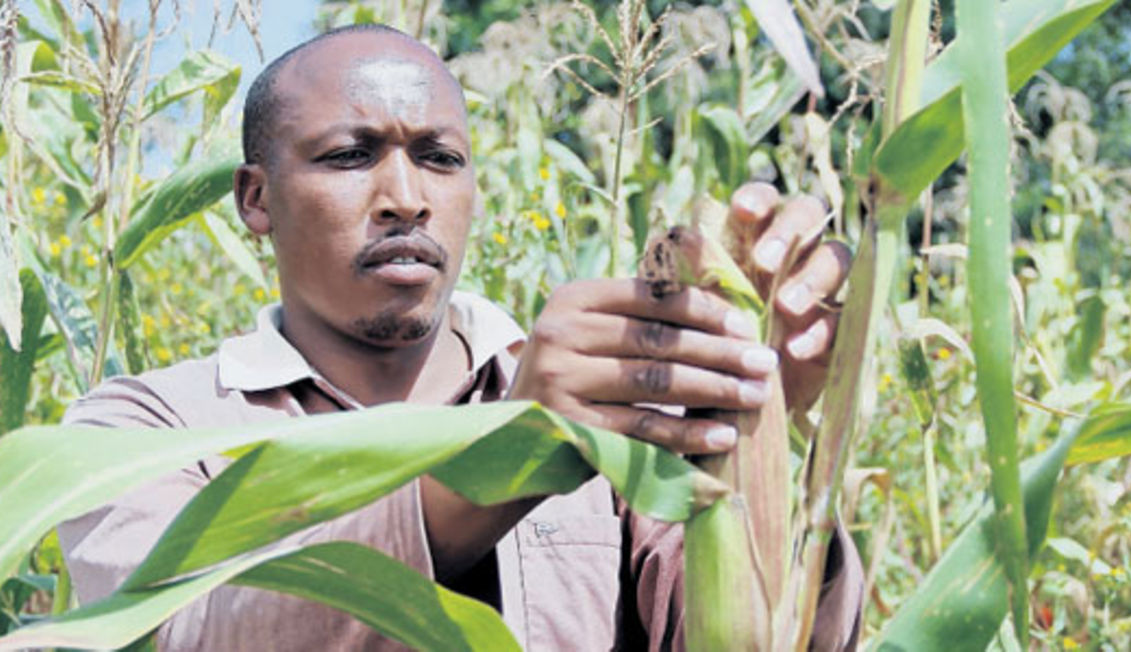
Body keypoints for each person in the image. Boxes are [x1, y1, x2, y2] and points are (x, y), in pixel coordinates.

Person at [59, 23, 862, 651]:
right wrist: (509, 459)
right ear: (257, 200)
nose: (405, 196)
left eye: (440, 158)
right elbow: (182, 636)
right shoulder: (144, 432)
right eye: (349, 155)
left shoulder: (615, 415)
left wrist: (758, 435)